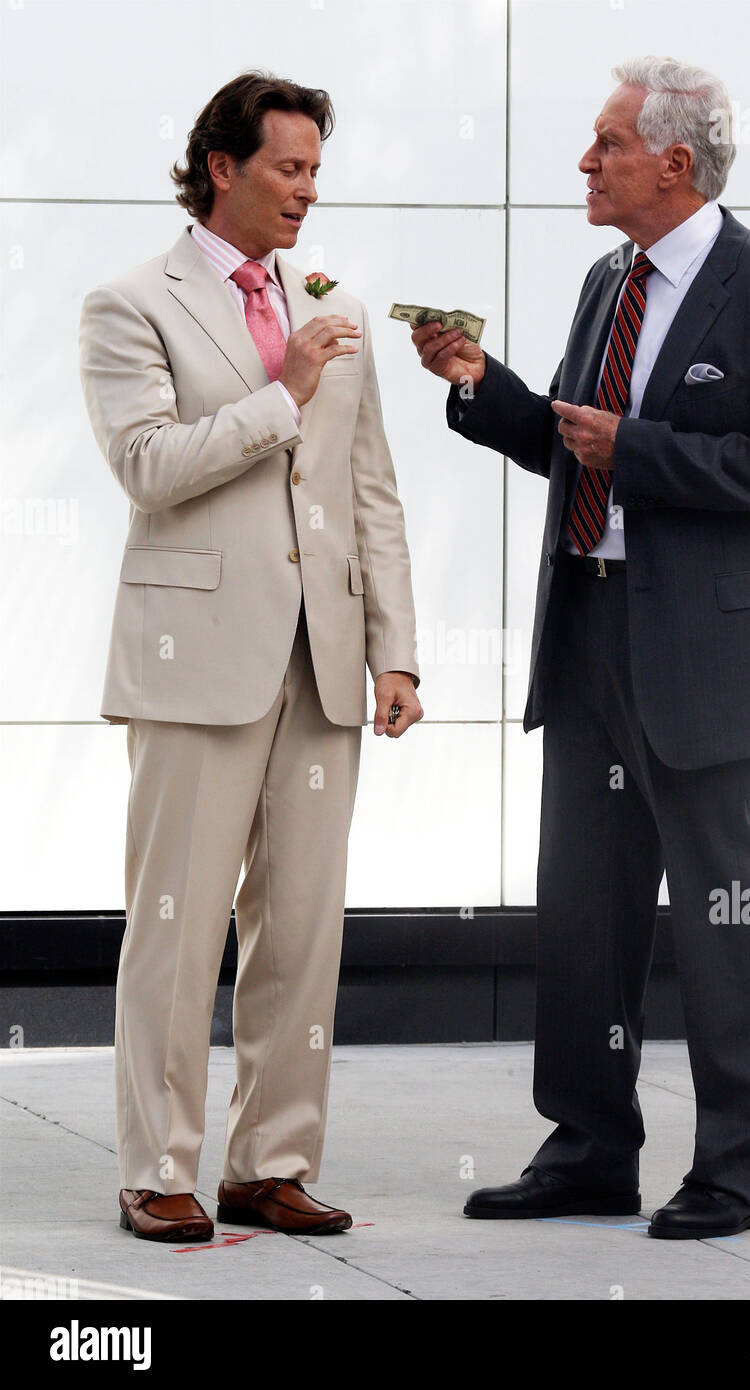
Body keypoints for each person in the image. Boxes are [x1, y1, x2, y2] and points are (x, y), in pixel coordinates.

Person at [410, 56, 750, 1239]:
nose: (586, 163)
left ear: (674, 161)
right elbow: (572, 443)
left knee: (721, 915)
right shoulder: (612, 281)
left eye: (605, 143)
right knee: (585, 911)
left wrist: (637, 450)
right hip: (592, 632)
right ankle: (591, 1148)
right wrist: (482, 386)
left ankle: (732, 1169)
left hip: (707, 660)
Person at [79, 71, 422, 1243]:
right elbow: (149, 467)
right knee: (176, 921)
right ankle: (155, 1166)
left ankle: (269, 1161)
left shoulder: (332, 302)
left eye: (318, 171)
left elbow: (370, 490)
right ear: (222, 167)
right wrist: (283, 394)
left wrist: (398, 654)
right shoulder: (130, 304)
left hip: (322, 665)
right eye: (289, 168)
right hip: (197, 656)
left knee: (303, 924)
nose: (307, 192)